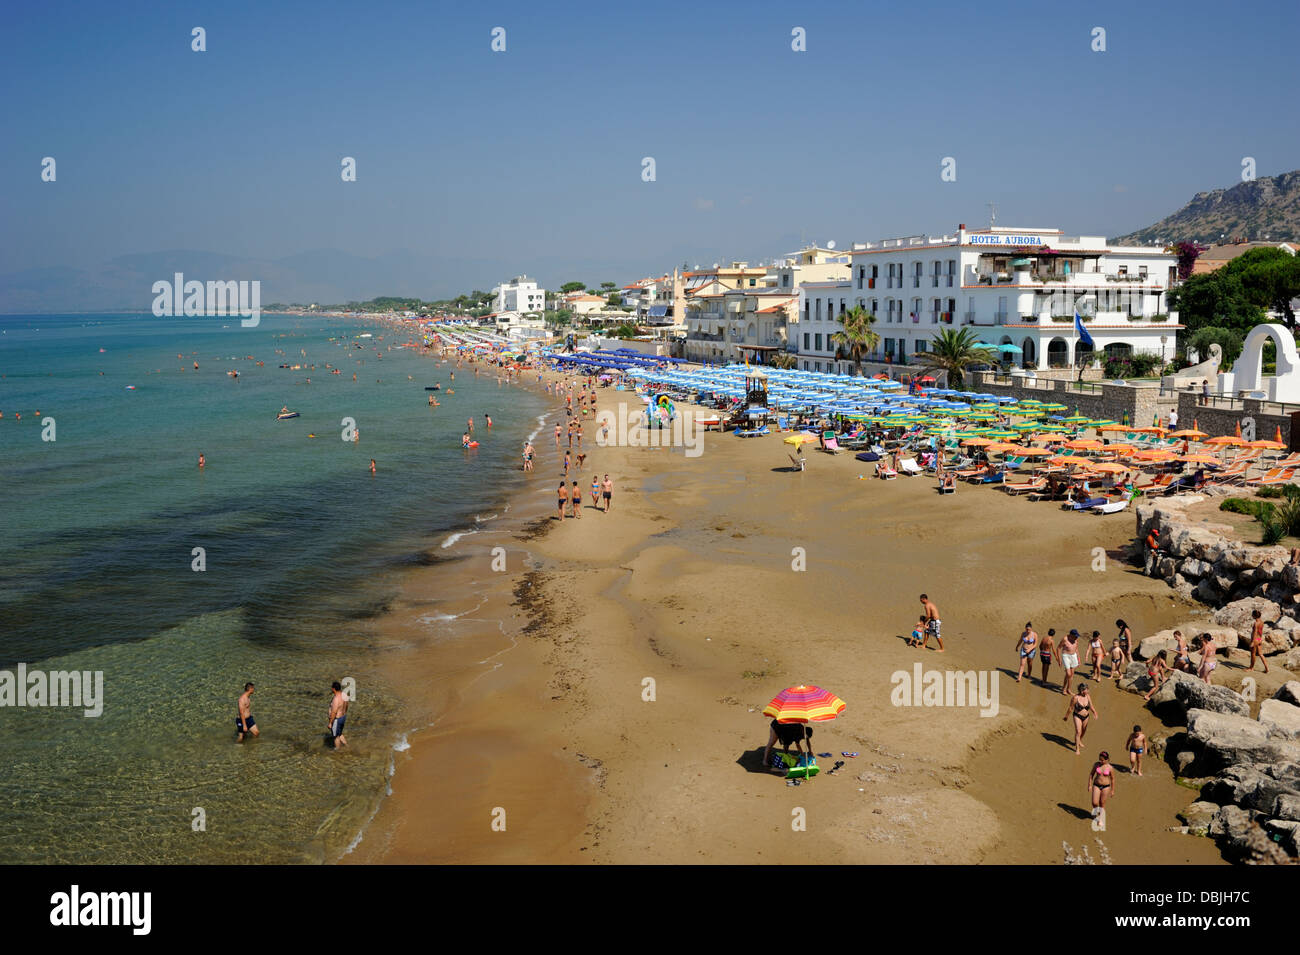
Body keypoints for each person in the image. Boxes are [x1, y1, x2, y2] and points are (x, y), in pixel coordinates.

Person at [1064, 683, 1098, 754]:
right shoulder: (1075, 698)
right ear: (1082, 690)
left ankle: (1079, 741)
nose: (1088, 690)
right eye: (1087, 689)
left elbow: (1091, 706)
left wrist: (1095, 713)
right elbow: (1070, 708)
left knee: (1084, 730)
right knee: (1078, 732)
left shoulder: (1088, 696)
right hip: (1077, 716)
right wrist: (1066, 716)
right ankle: (1077, 749)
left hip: (1086, 716)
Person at [1089, 751, 1115, 822]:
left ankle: (1100, 819)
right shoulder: (1096, 765)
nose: (1101, 761)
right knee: (1094, 802)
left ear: (1107, 759)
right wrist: (1090, 785)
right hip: (1096, 785)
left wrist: (1112, 790)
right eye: (1100, 759)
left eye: (1102, 760)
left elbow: (1112, 779)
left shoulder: (1110, 768)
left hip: (1106, 787)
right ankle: (1095, 811)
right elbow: (1091, 775)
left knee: (1102, 804)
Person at [327, 681, 349, 750]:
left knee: (336, 736)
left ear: (333, 689)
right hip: (343, 717)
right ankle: (347, 746)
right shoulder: (344, 695)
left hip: (337, 719)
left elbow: (334, 712)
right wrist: (344, 713)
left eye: (332, 688)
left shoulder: (336, 699)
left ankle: (337, 751)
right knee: (340, 733)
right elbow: (347, 705)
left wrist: (330, 723)